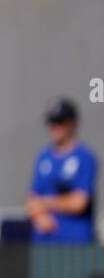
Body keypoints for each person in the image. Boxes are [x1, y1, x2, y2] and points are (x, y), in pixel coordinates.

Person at [27, 99, 98, 243]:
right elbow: (32, 197)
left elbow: (78, 203)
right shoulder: (44, 157)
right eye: (51, 123)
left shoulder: (84, 158)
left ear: (73, 124)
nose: (54, 127)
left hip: (74, 244)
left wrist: (46, 203)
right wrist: (38, 215)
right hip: (44, 243)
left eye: (59, 122)